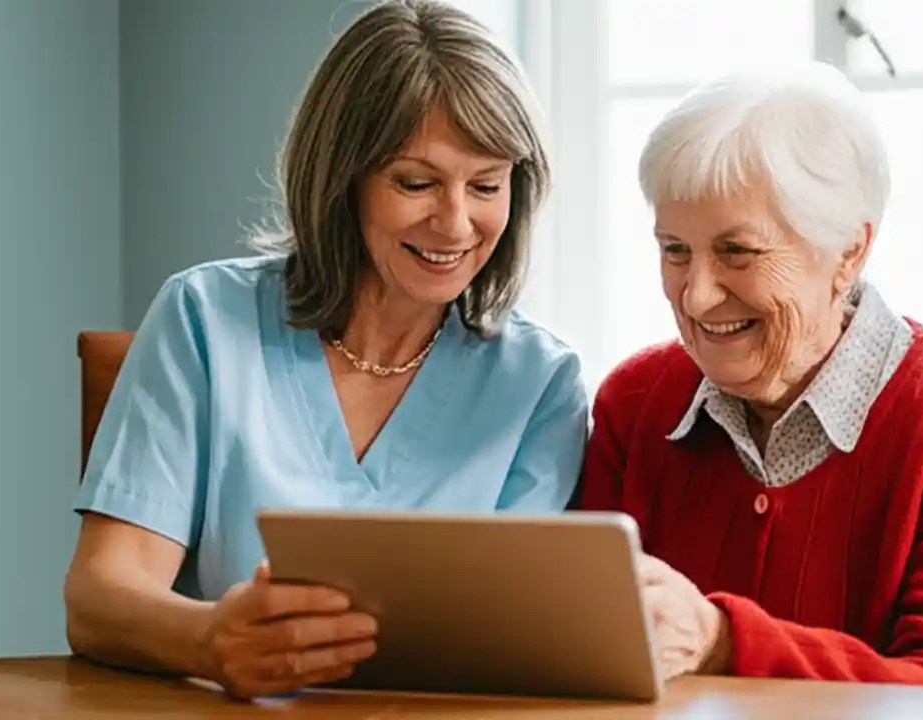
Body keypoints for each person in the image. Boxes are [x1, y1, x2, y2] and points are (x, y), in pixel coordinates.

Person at [63, 0, 586, 700]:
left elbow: (515, 639)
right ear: (344, 178)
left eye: (487, 185)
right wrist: (208, 640)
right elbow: (98, 594)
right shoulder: (205, 318)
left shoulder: (541, 382)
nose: (457, 223)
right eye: (416, 182)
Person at [576, 65, 923, 690]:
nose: (696, 296)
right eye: (675, 250)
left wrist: (724, 642)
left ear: (849, 252)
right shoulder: (635, 401)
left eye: (737, 252)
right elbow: (585, 654)